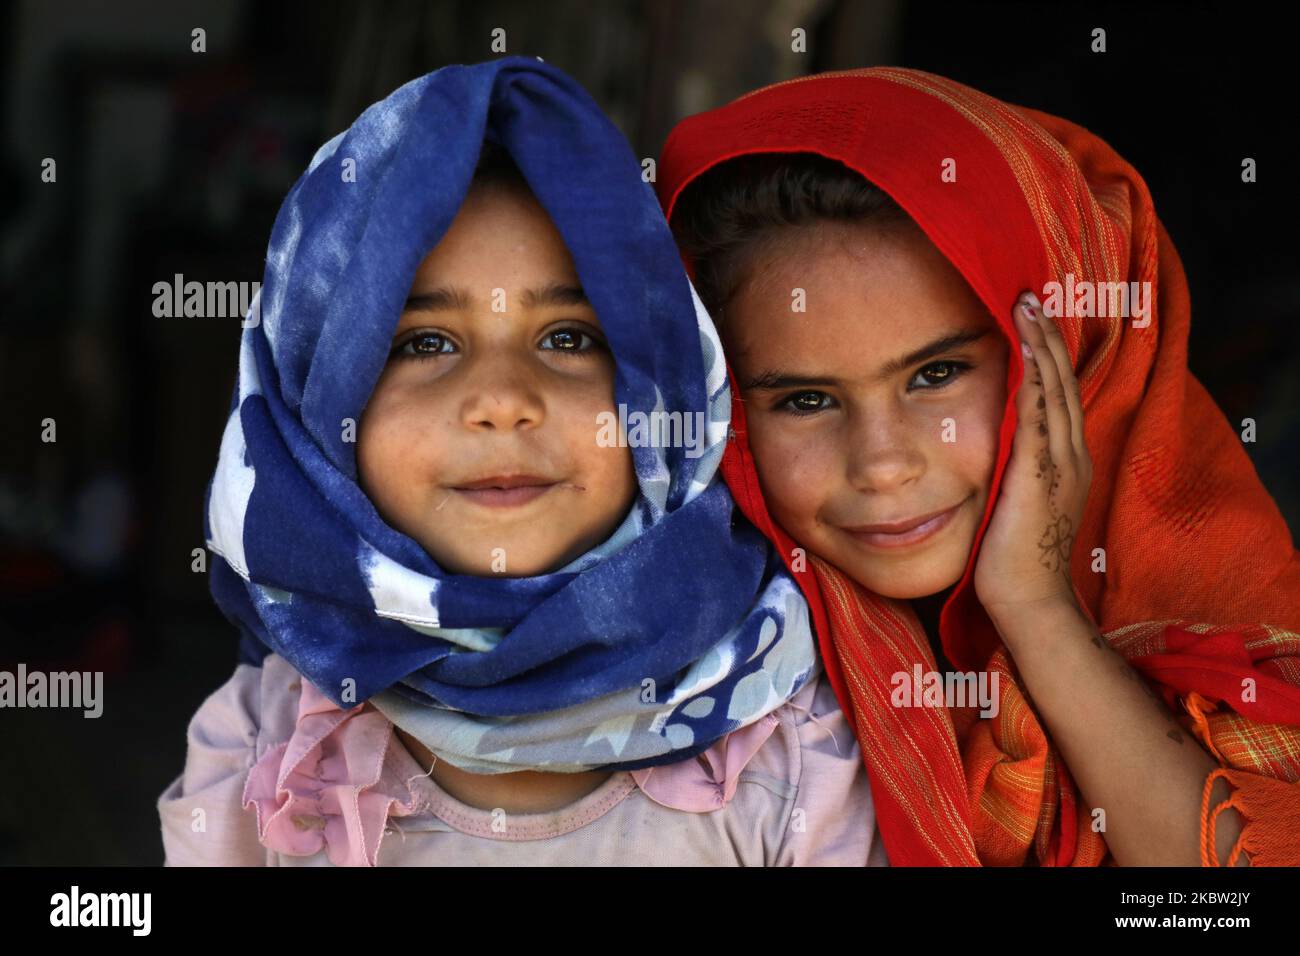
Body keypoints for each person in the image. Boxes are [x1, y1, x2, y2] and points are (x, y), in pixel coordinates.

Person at [156, 57, 883, 867]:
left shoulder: (788, 759)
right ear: (313, 407)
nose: (502, 400)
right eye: (423, 343)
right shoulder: (266, 752)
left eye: (569, 338)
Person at [660, 66, 1300, 866]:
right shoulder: (696, 698)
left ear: (1072, 354)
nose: (884, 465)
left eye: (935, 376)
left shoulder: (1235, 630)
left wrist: (1036, 605)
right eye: (806, 400)